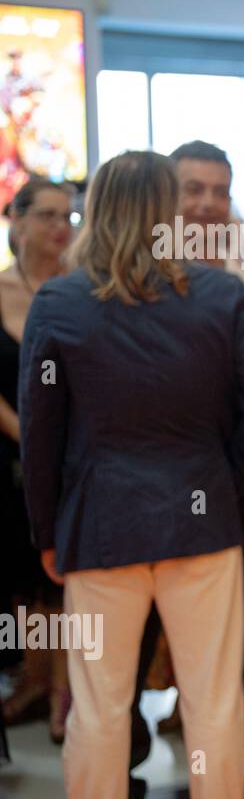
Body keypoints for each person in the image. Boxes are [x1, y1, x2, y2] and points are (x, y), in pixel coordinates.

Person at [19, 150, 244, 799]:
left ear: (96, 210)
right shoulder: (223, 295)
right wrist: (232, 488)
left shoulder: (59, 300)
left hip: (98, 525)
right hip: (202, 520)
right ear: (168, 209)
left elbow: (40, 431)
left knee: (98, 707)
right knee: (213, 702)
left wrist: (47, 530)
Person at [141, 141, 244, 740]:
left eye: (220, 192)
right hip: (144, 495)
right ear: (164, 199)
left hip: (228, 492)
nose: (207, 204)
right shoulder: (137, 285)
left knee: (221, 654)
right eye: (193, 189)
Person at [0, 178, 72, 744]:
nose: (59, 228)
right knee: (23, 576)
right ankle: (33, 678)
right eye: (48, 215)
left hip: (72, 456)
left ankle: (65, 694)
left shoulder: (79, 289)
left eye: (68, 218)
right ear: (17, 221)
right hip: (11, 454)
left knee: (65, 577)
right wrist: (26, 435)